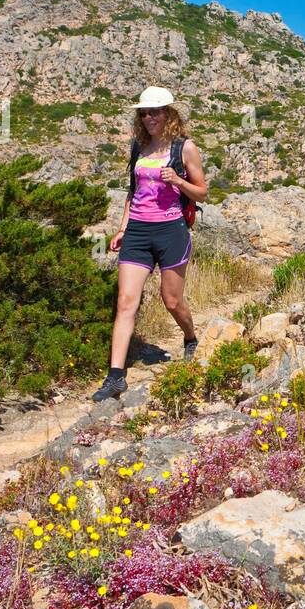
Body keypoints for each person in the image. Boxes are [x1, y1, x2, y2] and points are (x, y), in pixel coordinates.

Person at [91, 86, 208, 401]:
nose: (148, 118)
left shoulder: (185, 148)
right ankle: (115, 377)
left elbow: (202, 192)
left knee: (171, 301)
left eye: (154, 112)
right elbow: (133, 192)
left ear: (168, 113)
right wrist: (122, 228)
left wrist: (178, 181)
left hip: (171, 232)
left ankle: (190, 337)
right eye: (143, 113)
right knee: (126, 302)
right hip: (139, 233)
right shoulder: (138, 147)